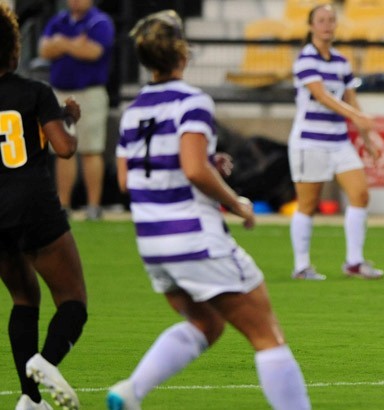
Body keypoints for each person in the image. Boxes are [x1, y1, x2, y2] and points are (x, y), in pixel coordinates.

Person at [107, 11, 310, 410]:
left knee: (205, 323)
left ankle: (130, 392)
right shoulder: (192, 101)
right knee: (267, 335)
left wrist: (203, 164)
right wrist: (238, 204)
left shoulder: (134, 110)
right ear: (182, 53)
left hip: (152, 242)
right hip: (194, 236)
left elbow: (127, 181)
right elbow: (193, 168)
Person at [1, 4, 88, 410]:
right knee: (72, 300)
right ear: (13, 50)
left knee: (23, 299)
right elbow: (65, 149)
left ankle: (29, 400)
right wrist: (67, 118)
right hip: (34, 204)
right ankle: (47, 363)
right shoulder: (34, 91)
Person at [286, 3, 384, 280]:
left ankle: (354, 261)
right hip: (310, 141)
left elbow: (351, 99)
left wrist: (367, 138)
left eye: (331, 20)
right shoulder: (305, 58)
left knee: (360, 194)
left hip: (339, 141)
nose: (327, 24)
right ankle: (301, 266)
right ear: (311, 26)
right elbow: (322, 96)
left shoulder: (341, 61)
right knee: (308, 203)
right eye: (321, 20)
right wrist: (356, 116)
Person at [38, 0, 114, 220]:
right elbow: (44, 49)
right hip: (61, 92)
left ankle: (93, 205)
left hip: (89, 93)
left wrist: (61, 43)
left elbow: (92, 52)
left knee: (91, 149)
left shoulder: (100, 22)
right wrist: (73, 44)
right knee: (63, 150)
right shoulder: (58, 20)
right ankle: (64, 204)